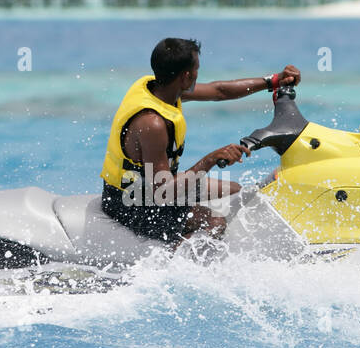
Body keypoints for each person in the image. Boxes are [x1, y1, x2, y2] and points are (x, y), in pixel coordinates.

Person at [99, 37, 301, 245]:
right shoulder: (153, 124)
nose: (198, 74)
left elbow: (219, 91)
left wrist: (274, 81)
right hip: (131, 201)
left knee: (236, 190)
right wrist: (211, 159)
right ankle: (174, 268)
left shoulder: (161, 88)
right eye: (197, 69)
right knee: (215, 222)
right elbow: (163, 192)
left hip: (151, 187)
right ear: (186, 76)